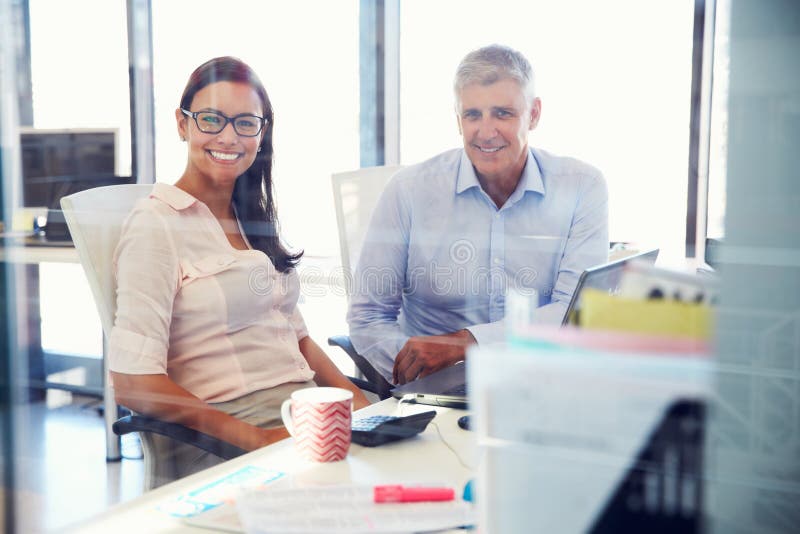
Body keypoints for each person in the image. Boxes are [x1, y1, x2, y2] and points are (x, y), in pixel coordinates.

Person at [109, 56, 369, 485]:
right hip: (228, 431)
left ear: (262, 133)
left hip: (304, 413)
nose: (229, 137)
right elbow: (133, 382)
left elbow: (297, 337)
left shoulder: (251, 219)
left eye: (246, 123)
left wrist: (358, 405)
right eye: (211, 119)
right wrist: (256, 438)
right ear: (182, 124)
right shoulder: (156, 224)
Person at [347, 44, 609, 385]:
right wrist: (417, 375)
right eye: (472, 115)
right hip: (437, 390)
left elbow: (574, 312)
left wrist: (467, 343)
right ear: (457, 119)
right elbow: (368, 318)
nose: (486, 132)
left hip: (540, 380)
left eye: (503, 113)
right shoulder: (408, 191)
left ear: (533, 114)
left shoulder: (582, 187)